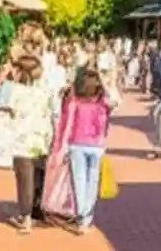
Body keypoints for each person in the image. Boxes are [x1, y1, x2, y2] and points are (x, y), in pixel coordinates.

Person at [57, 67, 114, 236]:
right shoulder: (102, 102)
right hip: (96, 146)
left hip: (77, 144)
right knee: (93, 181)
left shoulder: (74, 101)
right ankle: (87, 215)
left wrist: (63, 145)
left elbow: (66, 122)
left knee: (79, 180)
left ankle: (82, 213)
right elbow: (115, 101)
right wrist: (105, 84)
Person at [7, 55, 56, 235]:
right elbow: (50, 113)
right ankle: (34, 211)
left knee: (23, 178)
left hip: (22, 140)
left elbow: (10, 112)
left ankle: (26, 218)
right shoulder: (43, 92)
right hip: (40, 139)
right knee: (36, 177)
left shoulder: (16, 92)